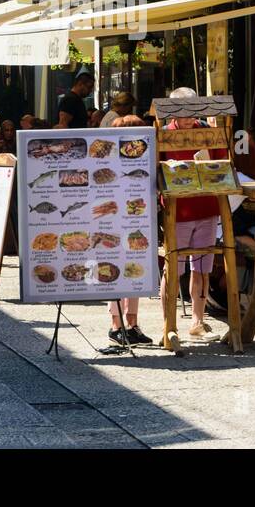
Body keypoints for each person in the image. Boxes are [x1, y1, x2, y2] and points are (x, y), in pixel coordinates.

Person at [160, 87, 227, 338]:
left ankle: (198, 321)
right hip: (178, 211)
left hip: (206, 207)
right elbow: (157, 168)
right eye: (181, 111)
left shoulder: (208, 132)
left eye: (191, 110)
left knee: (202, 268)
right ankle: (168, 324)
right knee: (173, 269)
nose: (187, 117)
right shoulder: (164, 134)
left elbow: (222, 163)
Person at [107, 115, 153, 346]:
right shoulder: (109, 157)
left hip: (137, 221)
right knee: (116, 271)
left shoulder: (143, 157)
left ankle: (131, 324)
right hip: (115, 222)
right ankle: (117, 325)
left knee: (133, 271)